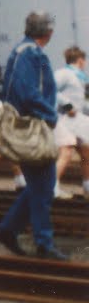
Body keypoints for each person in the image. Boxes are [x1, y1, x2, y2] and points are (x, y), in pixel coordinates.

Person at [0, 11, 66, 260]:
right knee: (44, 185)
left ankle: (8, 229)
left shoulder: (24, 51)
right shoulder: (30, 53)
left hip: (31, 125)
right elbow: (27, 92)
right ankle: (43, 242)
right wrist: (50, 115)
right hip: (31, 128)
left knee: (38, 185)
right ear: (48, 32)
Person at [51, 45, 88, 201]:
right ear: (80, 60)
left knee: (86, 153)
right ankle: (52, 188)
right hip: (65, 120)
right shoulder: (64, 73)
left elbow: (81, 101)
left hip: (79, 120)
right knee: (66, 153)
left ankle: (87, 186)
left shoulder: (80, 77)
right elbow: (50, 89)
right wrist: (67, 105)